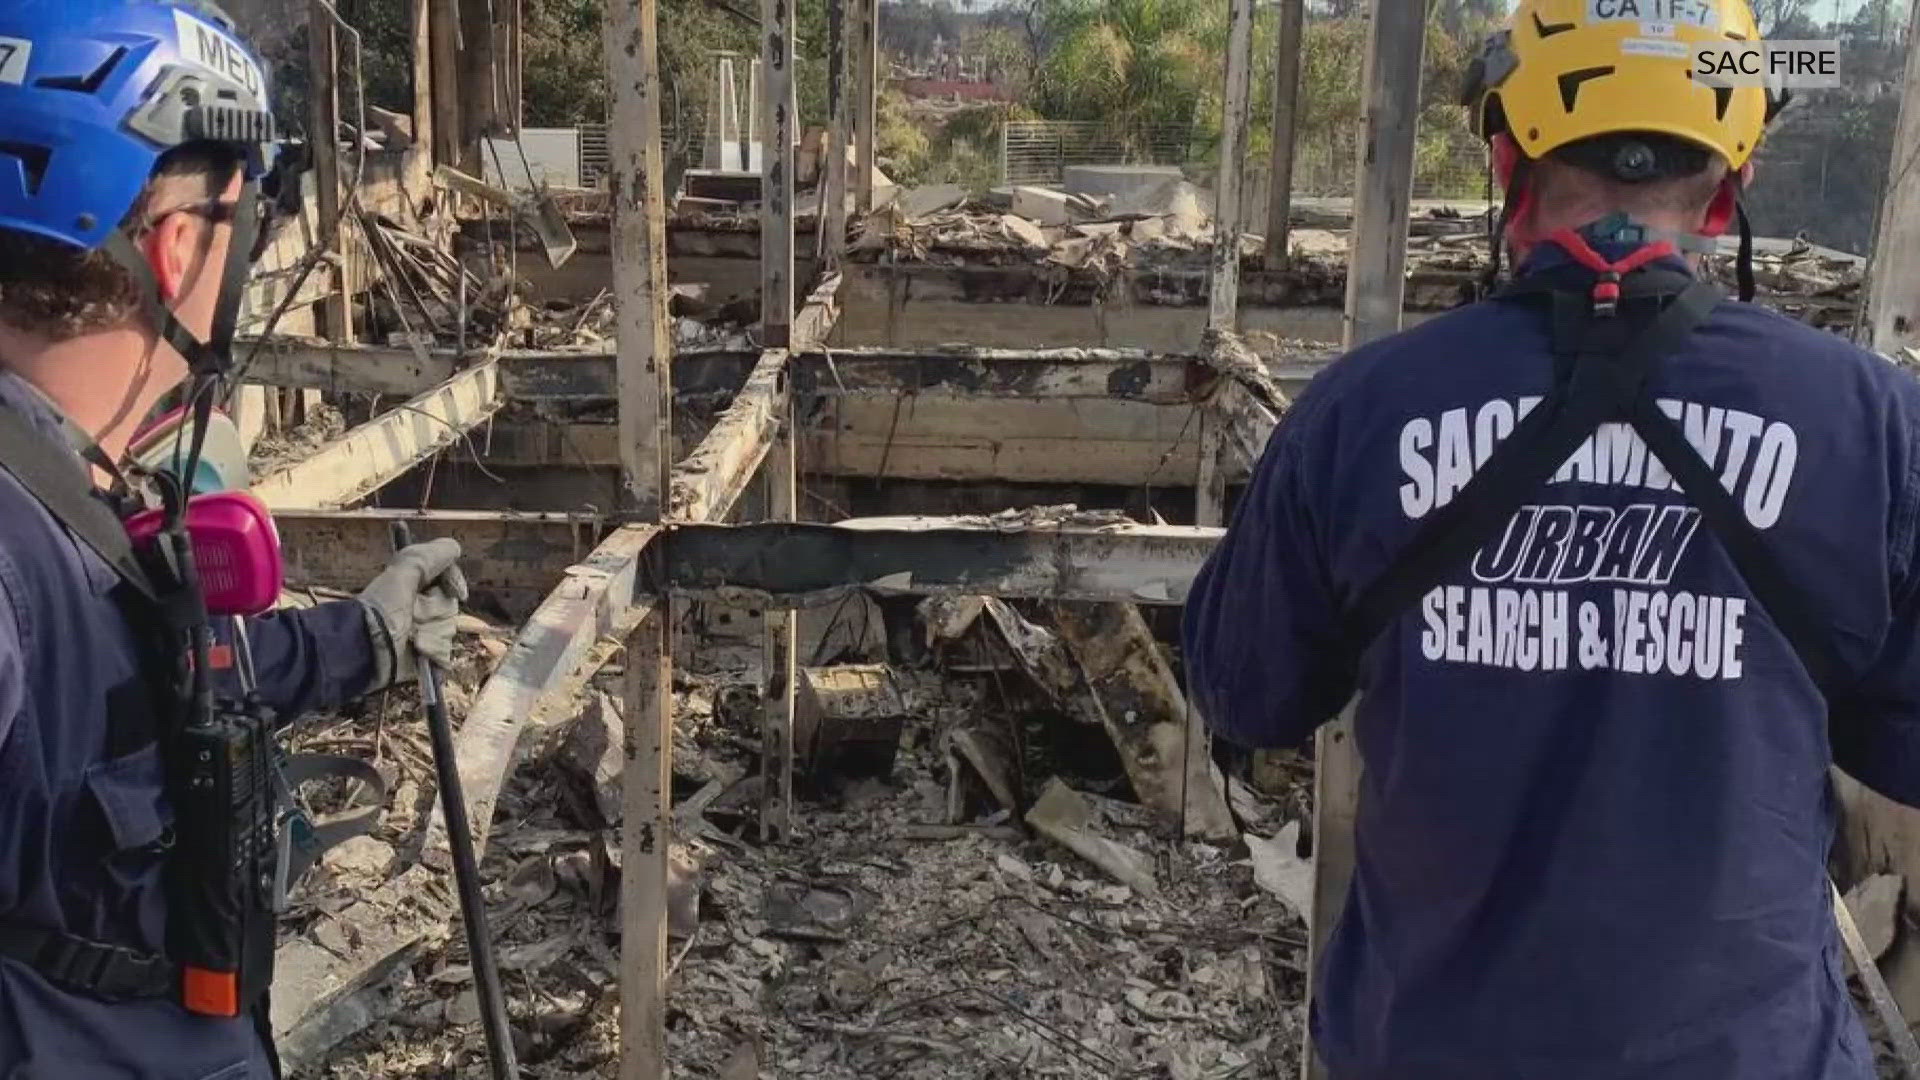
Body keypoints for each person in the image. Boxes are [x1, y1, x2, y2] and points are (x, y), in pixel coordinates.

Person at [1183, 1, 1920, 1077]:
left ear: (1503, 157)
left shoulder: (1361, 413)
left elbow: (1247, 692)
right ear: (1737, 177)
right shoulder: (1876, 427)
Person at [0, 2, 466, 1076]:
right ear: (177, 250)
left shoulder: (73, 491)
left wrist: (367, 638)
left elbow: (158, 681)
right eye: (241, 219)